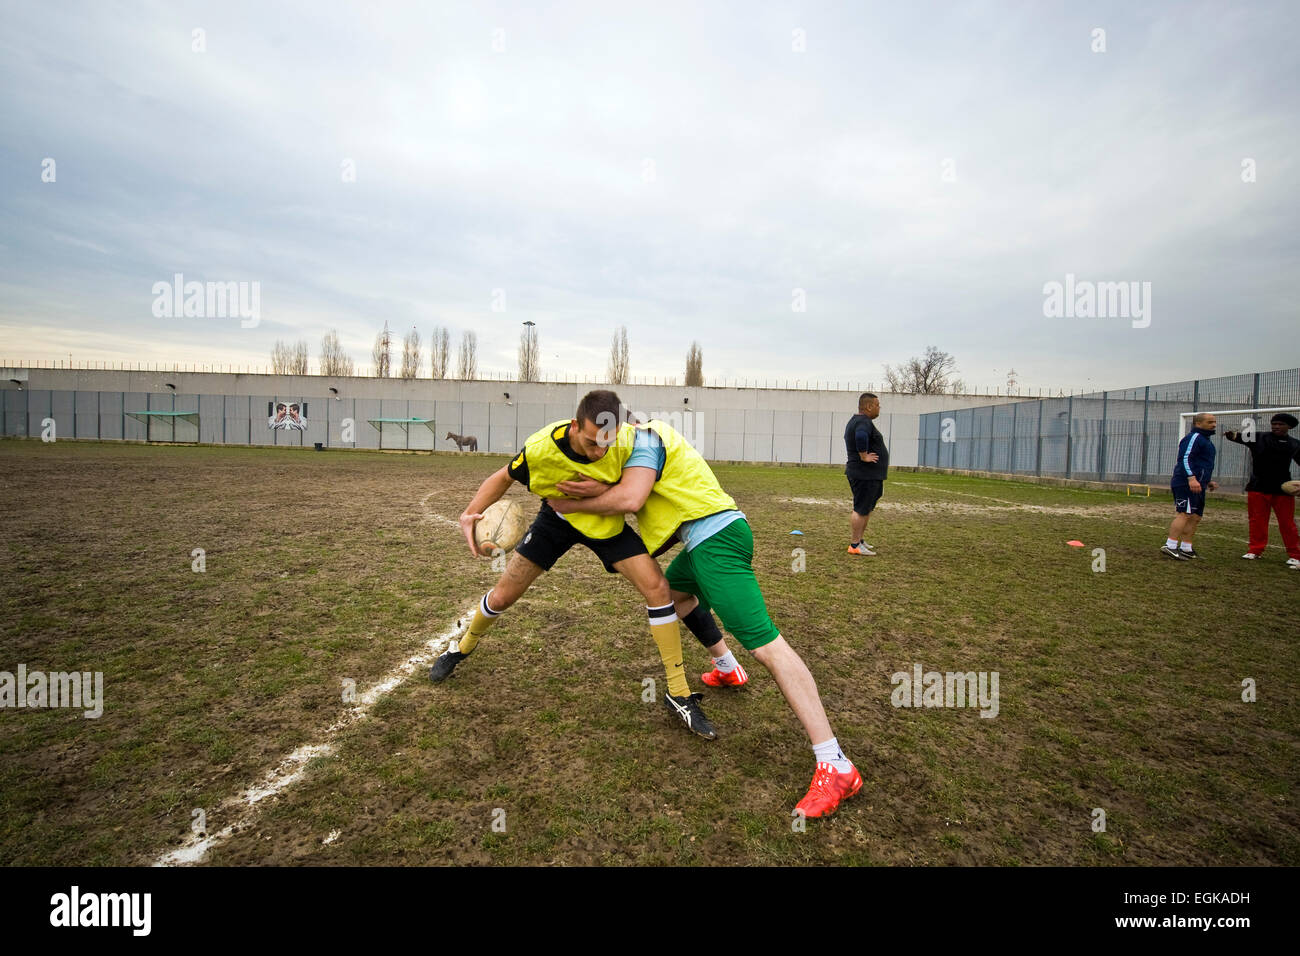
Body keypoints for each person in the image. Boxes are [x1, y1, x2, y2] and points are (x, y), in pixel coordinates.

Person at [550, 417, 862, 818]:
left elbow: (630, 500)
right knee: (670, 598)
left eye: (604, 441)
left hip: (716, 541)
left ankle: (835, 764)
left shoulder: (644, 438)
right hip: (705, 541)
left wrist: (572, 504)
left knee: (768, 645)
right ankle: (727, 666)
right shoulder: (641, 442)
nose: (603, 449)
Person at [428, 390, 717, 740]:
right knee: (504, 596)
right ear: (575, 425)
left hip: (605, 524)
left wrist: (597, 491)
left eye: (606, 445)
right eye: (593, 443)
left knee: (657, 589)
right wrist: (469, 513)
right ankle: (463, 646)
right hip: (556, 520)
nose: (600, 452)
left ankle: (678, 691)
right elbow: (503, 477)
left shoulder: (626, 440)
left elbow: (637, 488)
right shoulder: (540, 449)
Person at [1225, 412, 1300, 569]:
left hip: (1283, 489)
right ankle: (1255, 550)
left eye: (1281, 424)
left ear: (1289, 427)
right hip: (1258, 487)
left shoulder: (1295, 444)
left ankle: (1295, 555)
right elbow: (1237, 437)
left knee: (1287, 523)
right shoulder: (1259, 437)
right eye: (1274, 424)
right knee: (1257, 520)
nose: (1276, 426)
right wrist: (1231, 435)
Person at [1162, 412, 1218, 560]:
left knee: (1195, 516)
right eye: (1210, 422)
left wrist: (1207, 481)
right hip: (1185, 483)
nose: (1214, 424)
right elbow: (1185, 459)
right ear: (1198, 424)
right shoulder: (1193, 438)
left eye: (1214, 422)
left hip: (1199, 485)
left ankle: (1186, 548)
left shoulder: (1207, 441)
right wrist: (1191, 478)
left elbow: (1202, 464)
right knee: (1184, 513)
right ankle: (1170, 545)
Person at [844, 392, 887, 555]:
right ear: (868, 406)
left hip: (869, 475)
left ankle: (860, 541)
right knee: (861, 508)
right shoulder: (863, 422)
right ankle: (854, 545)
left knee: (866, 507)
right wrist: (864, 456)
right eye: (877, 405)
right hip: (864, 474)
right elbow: (861, 436)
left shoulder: (860, 421)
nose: (879, 408)